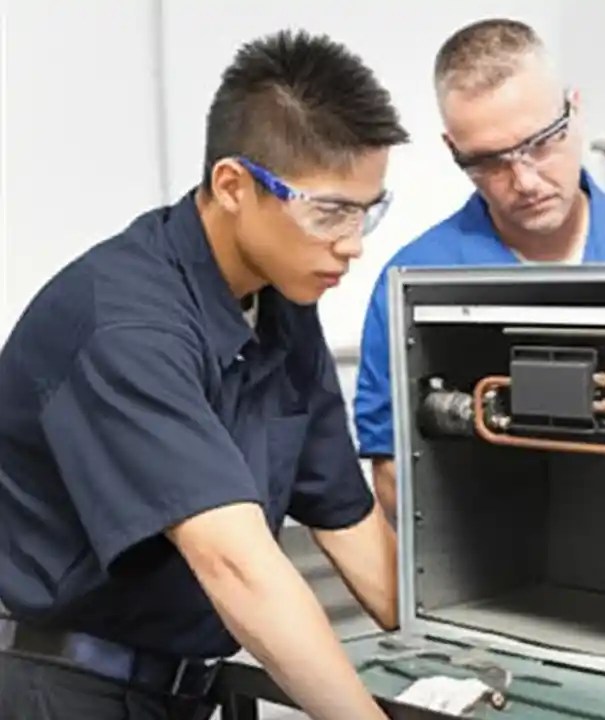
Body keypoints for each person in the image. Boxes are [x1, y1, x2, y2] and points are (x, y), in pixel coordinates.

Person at [0, 29, 408, 720]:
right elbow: (238, 568)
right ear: (233, 185)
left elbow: (348, 519)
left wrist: (466, 654)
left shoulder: (283, 301)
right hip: (62, 689)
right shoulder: (128, 328)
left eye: (367, 210)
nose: (354, 244)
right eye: (330, 211)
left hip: (187, 686)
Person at [354, 18, 605, 519]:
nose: (523, 180)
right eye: (488, 161)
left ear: (575, 108)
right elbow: (393, 471)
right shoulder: (412, 282)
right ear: (453, 150)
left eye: (541, 142)